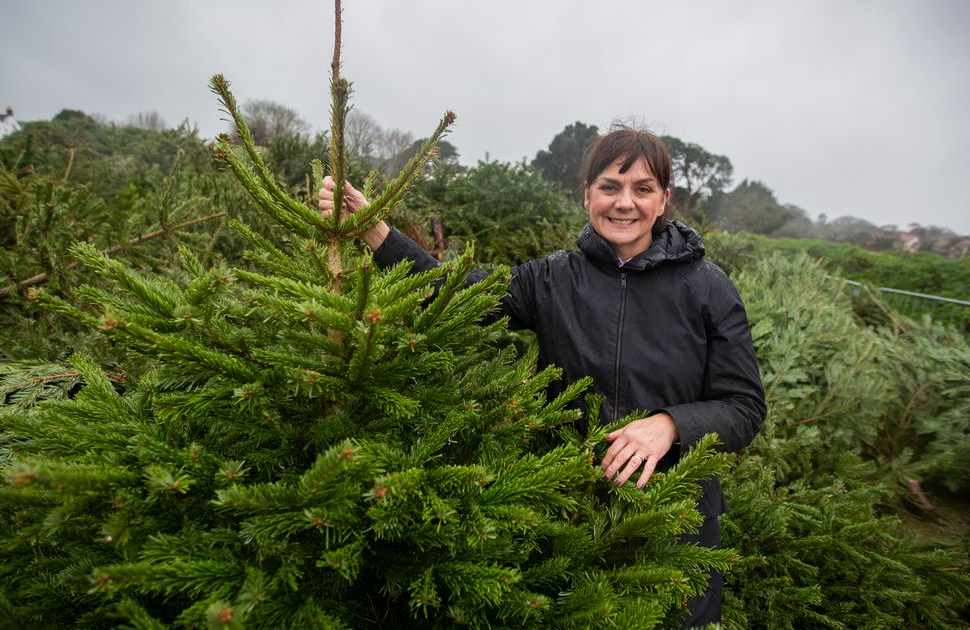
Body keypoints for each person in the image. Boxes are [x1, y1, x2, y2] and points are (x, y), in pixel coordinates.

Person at [318, 126, 765, 627]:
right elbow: (455, 295)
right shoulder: (553, 278)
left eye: (642, 189)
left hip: (676, 526)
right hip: (568, 516)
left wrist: (669, 425)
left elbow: (744, 407)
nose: (625, 203)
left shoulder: (706, 287)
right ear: (587, 196)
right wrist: (375, 231)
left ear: (663, 200)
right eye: (610, 187)